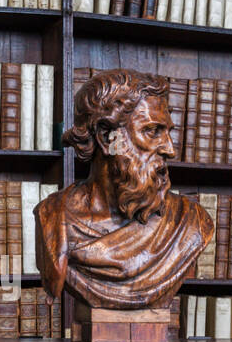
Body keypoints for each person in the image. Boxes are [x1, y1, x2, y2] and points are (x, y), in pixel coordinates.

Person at [35, 69, 213, 309]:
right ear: (108, 138)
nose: (169, 149)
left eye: (168, 133)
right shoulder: (53, 218)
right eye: (152, 131)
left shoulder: (190, 222)